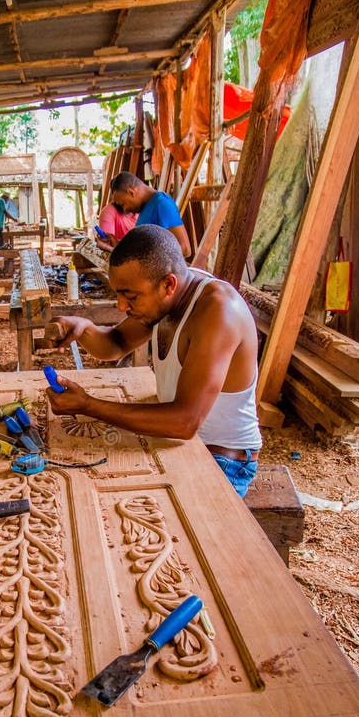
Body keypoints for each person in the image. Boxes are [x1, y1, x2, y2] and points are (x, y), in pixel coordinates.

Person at [46, 224, 262, 498]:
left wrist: (88, 405)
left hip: (221, 457)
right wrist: (83, 328)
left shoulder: (218, 312)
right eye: (119, 294)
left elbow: (184, 422)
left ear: (168, 285)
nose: (121, 306)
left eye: (130, 296)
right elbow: (116, 344)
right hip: (179, 441)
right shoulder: (169, 296)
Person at [110, 171, 192, 258]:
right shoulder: (146, 207)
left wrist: (146, 259)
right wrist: (117, 243)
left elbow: (185, 249)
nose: (125, 210)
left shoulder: (161, 204)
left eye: (123, 204)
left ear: (131, 192)